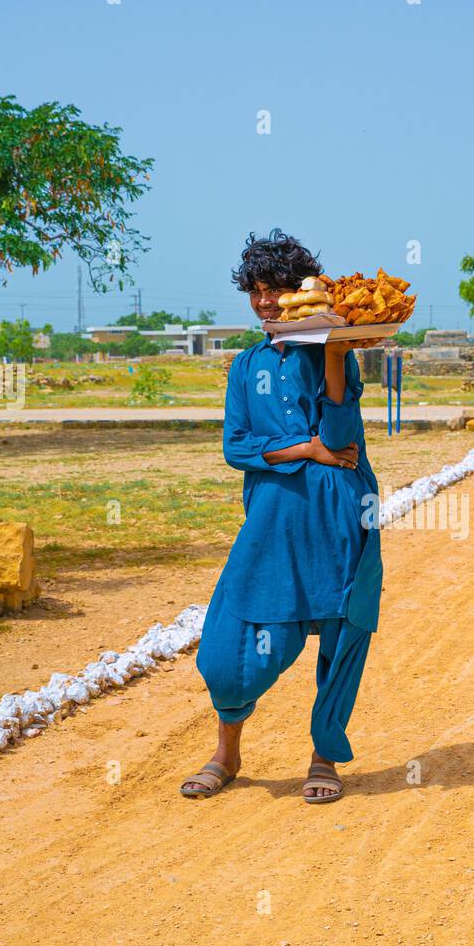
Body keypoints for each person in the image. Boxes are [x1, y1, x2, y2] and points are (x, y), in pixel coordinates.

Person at [180, 230, 381, 804]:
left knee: (341, 635)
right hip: (270, 522)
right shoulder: (245, 367)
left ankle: (323, 757)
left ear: (301, 293)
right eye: (258, 290)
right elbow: (236, 446)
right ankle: (228, 752)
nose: (267, 301)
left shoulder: (330, 352)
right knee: (229, 643)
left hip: (339, 516)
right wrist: (304, 450)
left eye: (279, 290)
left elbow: (343, 439)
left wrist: (339, 355)